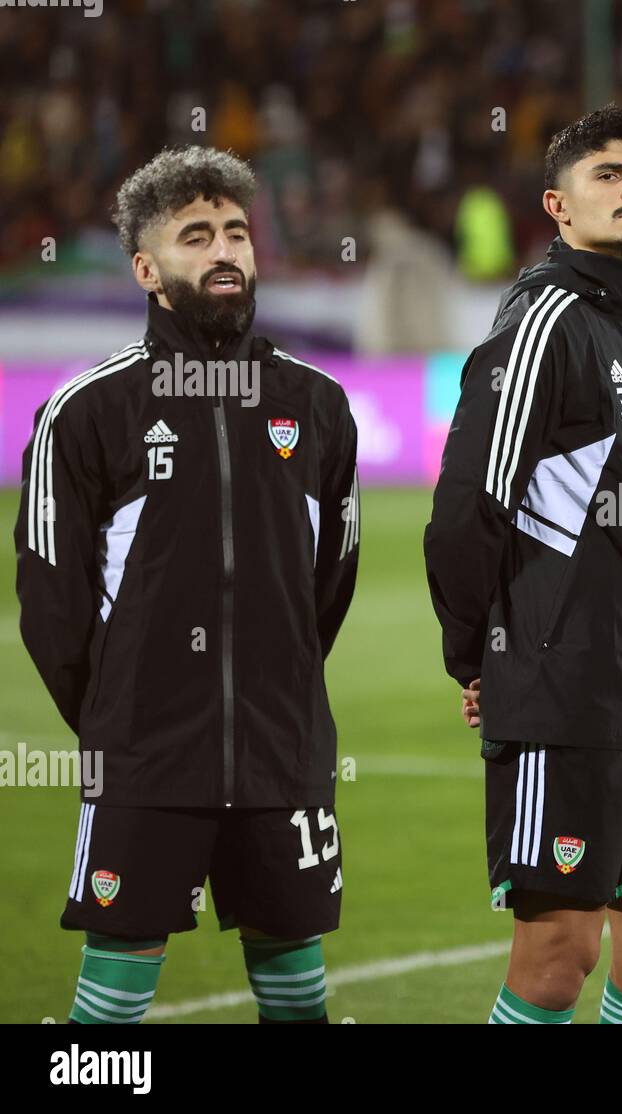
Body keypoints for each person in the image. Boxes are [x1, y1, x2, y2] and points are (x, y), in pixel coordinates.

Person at [14, 146, 360, 1024]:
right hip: (145, 758)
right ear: (146, 268)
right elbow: (51, 609)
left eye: (237, 232)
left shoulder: (317, 405)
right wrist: (122, 716)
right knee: (112, 1008)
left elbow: (330, 582)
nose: (224, 251)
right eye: (196, 235)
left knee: (297, 989)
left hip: (282, 754)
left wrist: (273, 687)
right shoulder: (86, 412)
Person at [424, 105, 622, 1025]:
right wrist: (477, 656)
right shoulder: (545, 322)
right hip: (570, 694)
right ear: (557, 205)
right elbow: (468, 508)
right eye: (609, 174)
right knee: (558, 959)